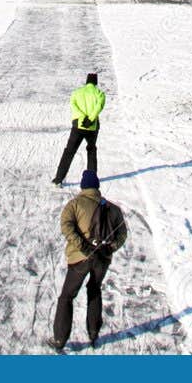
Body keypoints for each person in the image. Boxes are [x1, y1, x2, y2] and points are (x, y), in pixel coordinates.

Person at [48, 169, 128, 352]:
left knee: (67, 296)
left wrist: (82, 246)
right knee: (94, 290)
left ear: (83, 186)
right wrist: (111, 247)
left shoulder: (75, 204)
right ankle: (93, 334)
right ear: (97, 187)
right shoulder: (113, 208)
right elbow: (123, 233)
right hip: (102, 259)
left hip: (80, 259)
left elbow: (66, 226)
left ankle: (60, 339)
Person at [52, 73, 105, 186]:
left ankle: (58, 179)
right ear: (95, 82)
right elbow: (99, 107)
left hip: (78, 126)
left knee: (69, 151)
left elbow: (73, 105)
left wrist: (82, 118)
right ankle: (91, 182)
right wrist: (90, 119)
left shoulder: (76, 93)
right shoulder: (100, 93)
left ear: (86, 81)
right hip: (92, 127)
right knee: (91, 150)